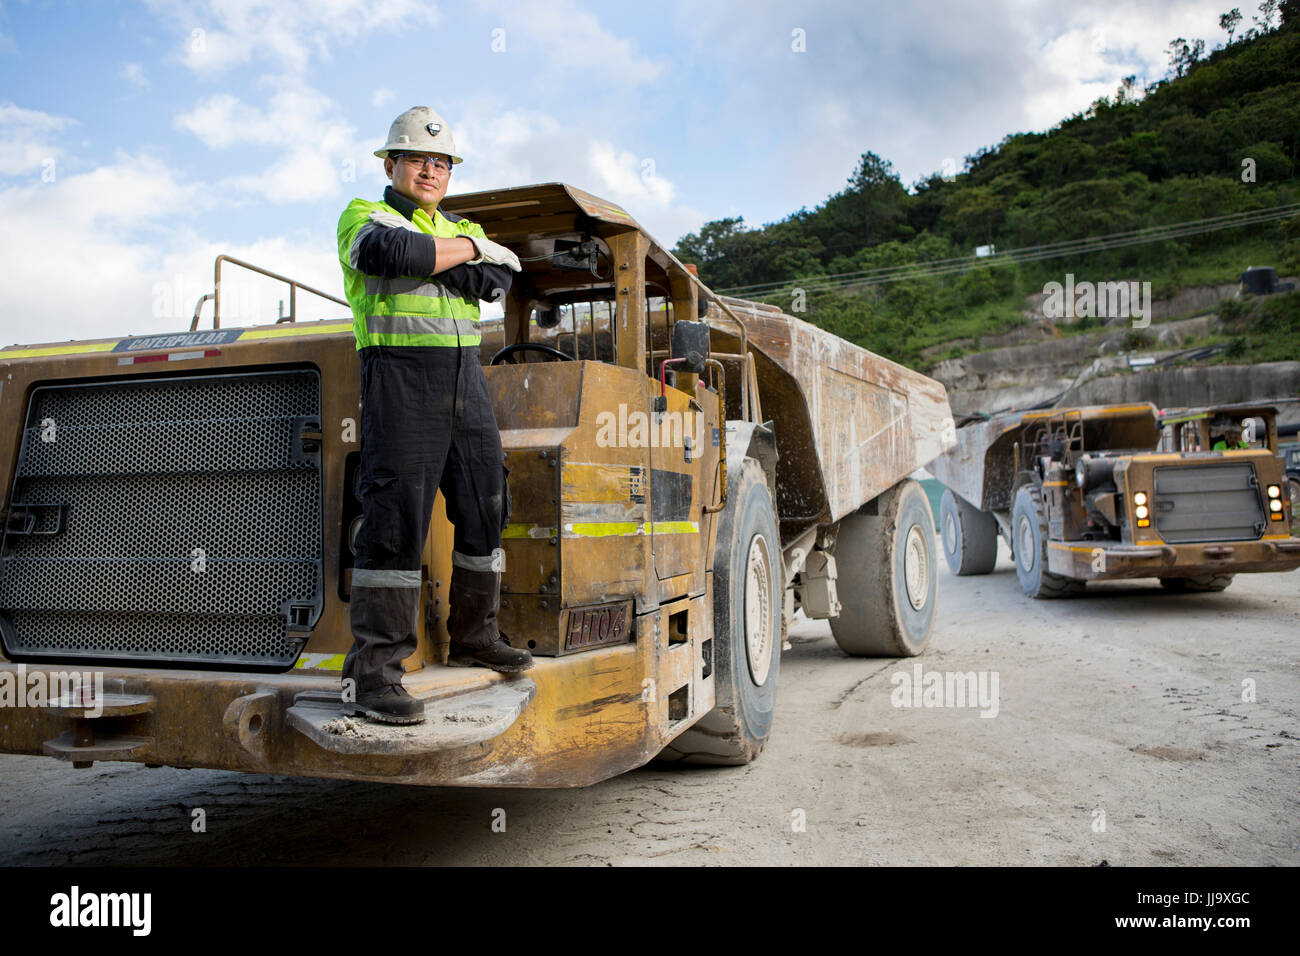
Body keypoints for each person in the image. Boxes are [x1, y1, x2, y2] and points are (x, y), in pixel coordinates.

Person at [336, 106, 534, 725]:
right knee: (395, 519)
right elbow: (391, 253)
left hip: (464, 379)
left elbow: (496, 280)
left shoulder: (461, 224)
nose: (430, 169)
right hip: (398, 375)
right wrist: (468, 248)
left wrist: (457, 249)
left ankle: (476, 633)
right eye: (418, 159)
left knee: (486, 502)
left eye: (441, 161)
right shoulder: (362, 216)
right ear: (390, 164)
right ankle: (375, 675)